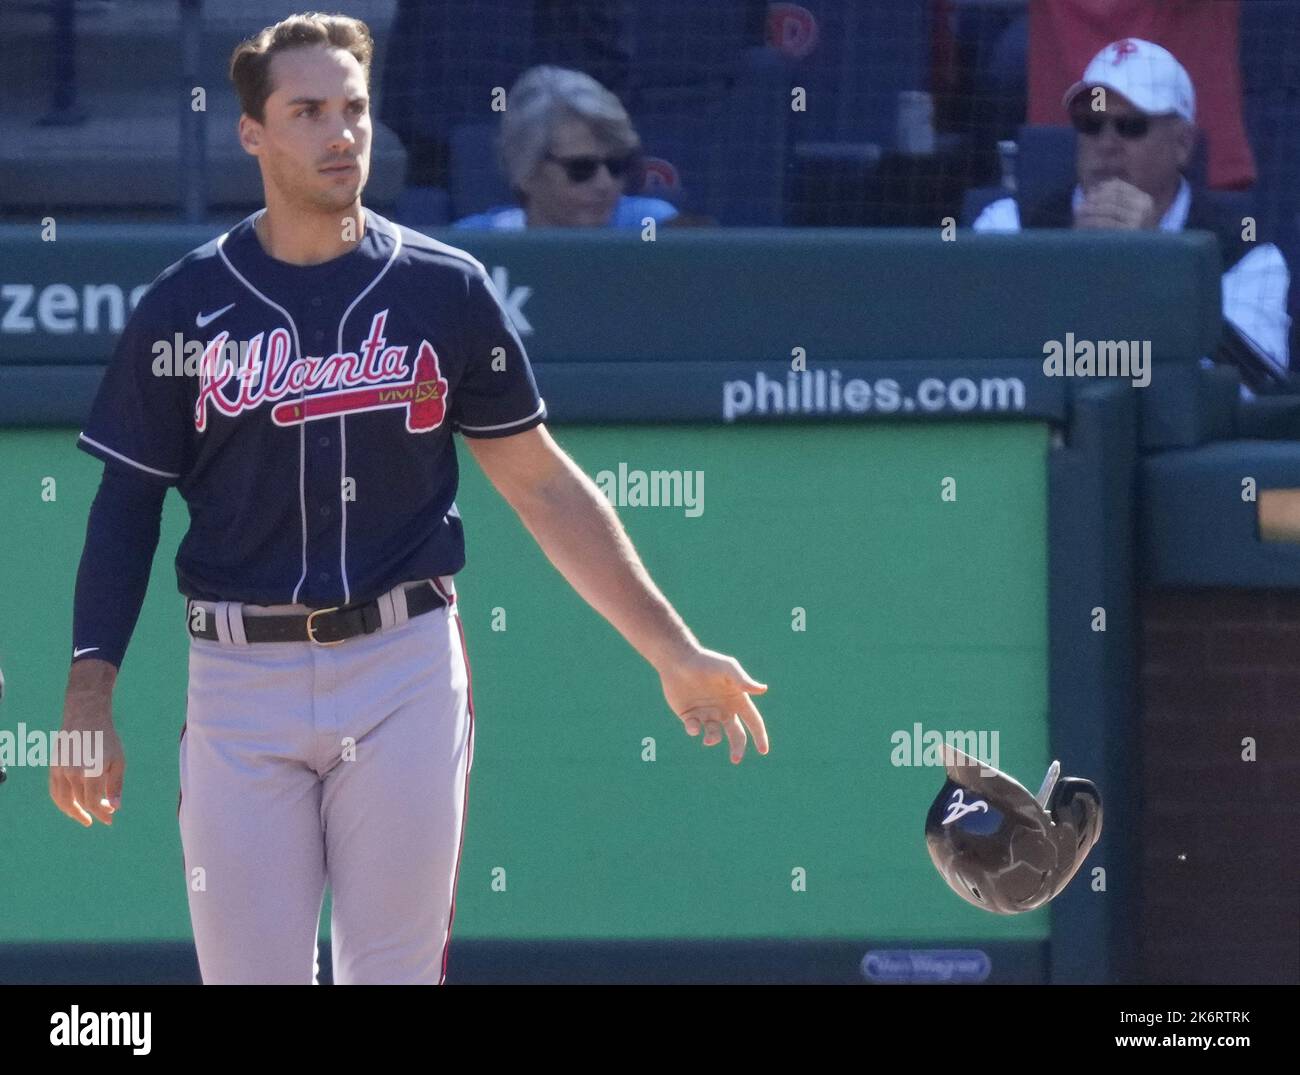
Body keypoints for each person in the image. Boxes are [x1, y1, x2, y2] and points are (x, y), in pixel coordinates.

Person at [49, 13, 769, 986]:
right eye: (306, 110)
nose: (339, 131)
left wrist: (670, 648)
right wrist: (89, 693)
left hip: (402, 667)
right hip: (237, 676)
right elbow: (125, 505)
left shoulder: (442, 288)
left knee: (391, 974)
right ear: (251, 133)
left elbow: (543, 484)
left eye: (352, 108)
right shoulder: (186, 305)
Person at [973, 38, 1292, 398]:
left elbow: (1251, 389)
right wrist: (1068, 266)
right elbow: (974, 359)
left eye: (1131, 125)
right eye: (1091, 123)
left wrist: (1156, 267)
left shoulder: (1245, 252)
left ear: (1183, 144)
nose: (1106, 143)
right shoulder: (1009, 226)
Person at [452, 65, 679, 230]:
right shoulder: (475, 245)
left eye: (616, 166)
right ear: (526, 171)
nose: (605, 184)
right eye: (581, 169)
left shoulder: (652, 227)